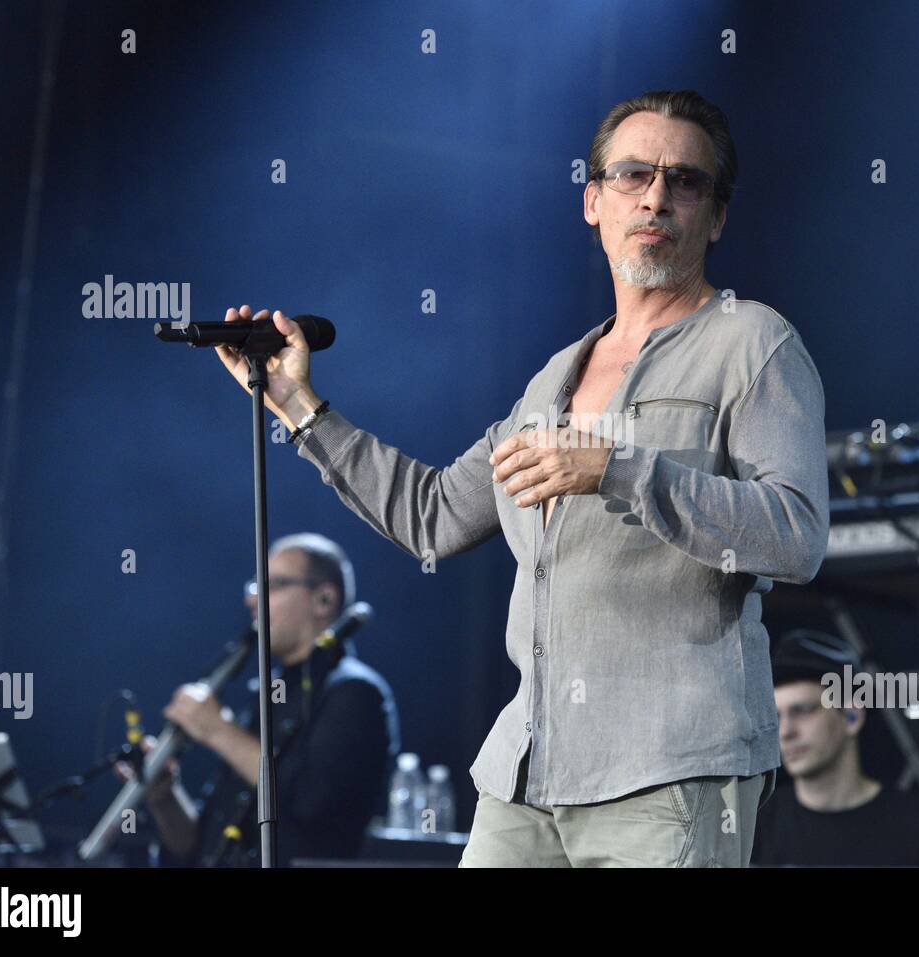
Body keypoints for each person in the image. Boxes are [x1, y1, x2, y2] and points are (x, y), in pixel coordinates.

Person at [212, 89, 829, 867]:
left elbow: (795, 536)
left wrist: (617, 467)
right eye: (633, 174)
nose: (656, 196)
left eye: (686, 180)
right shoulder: (553, 379)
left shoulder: (754, 341)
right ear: (593, 202)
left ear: (717, 215)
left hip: (672, 769)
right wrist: (297, 403)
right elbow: (433, 514)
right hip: (526, 773)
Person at [120, 533, 399, 866]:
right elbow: (200, 844)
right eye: (254, 587)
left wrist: (218, 730)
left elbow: (310, 803)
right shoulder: (264, 695)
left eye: (274, 585)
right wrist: (163, 796)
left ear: (323, 599)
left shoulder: (355, 693)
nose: (253, 601)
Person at [751, 631, 919, 866]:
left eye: (802, 710)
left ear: (852, 716)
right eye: (776, 717)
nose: (785, 732)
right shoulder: (756, 826)